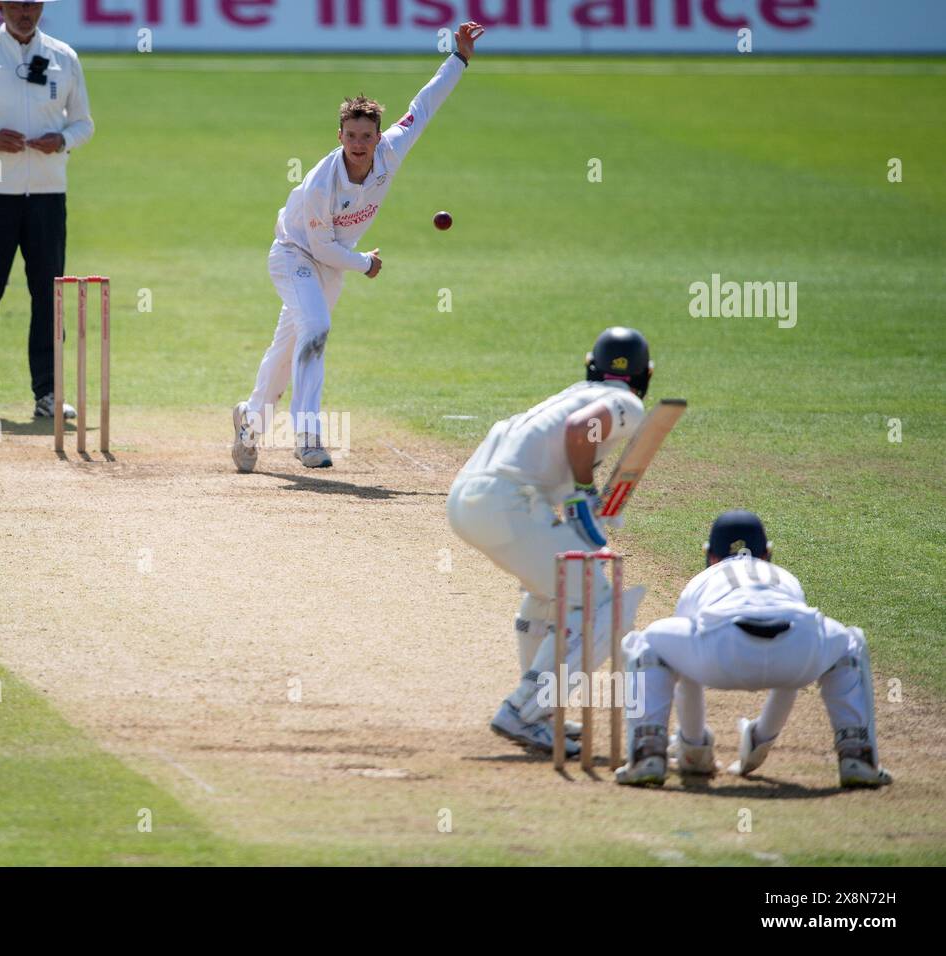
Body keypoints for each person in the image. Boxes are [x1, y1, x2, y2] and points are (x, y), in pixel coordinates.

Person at [230, 21, 486, 471]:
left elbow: (423, 106)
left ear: (378, 136)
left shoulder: (391, 150)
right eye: (351, 137)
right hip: (295, 254)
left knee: (291, 347)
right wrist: (365, 263)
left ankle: (249, 421)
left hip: (330, 264)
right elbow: (322, 247)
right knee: (317, 328)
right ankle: (308, 437)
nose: (360, 146)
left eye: (367, 136)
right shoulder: (319, 186)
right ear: (339, 137)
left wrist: (458, 58)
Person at [446, 328, 654, 755]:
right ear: (645, 374)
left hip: (468, 498)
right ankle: (525, 711)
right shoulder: (627, 402)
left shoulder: (569, 393)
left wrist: (576, 503)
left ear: (589, 364)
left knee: (551, 590)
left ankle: (542, 710)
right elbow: (582, 431)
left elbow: (556, 444)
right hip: (508, 503)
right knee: (604, 606)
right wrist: (583, 492)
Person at [614, 511, 893, 788]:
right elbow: (787, 682)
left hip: (721, 651)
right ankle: (858, 756)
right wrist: (762, 739)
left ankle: (649, 753)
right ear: (766, 554)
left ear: (710, 556)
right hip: (798, 650)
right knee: (850, 643)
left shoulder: (704, 578)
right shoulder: (784, 576)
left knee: (648, 644)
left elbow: (686, 674)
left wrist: (693, 744)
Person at [0, 1, 95, 424]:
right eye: (17, 4)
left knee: (49, 295)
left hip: (47, 193)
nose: (25, 12)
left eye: (32, 4)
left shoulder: (63, 57)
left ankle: (48, 392)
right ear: (0, 6)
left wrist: (61, 141)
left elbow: (84, 124)